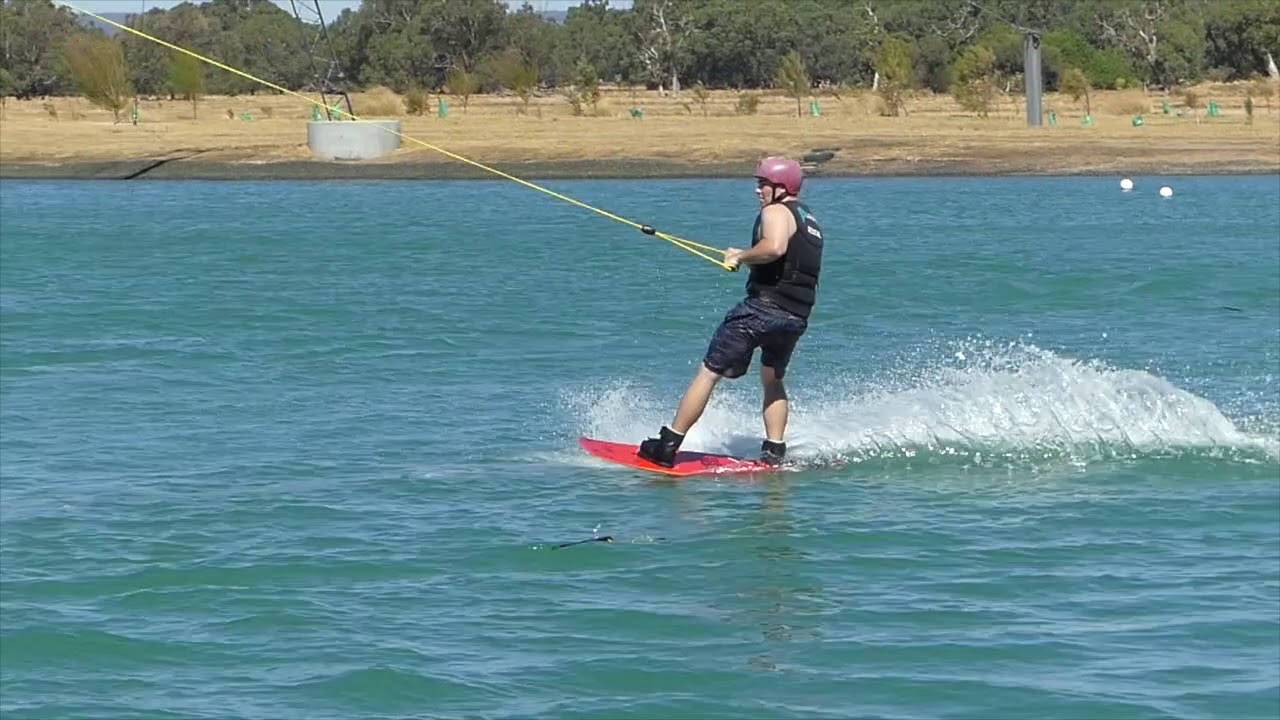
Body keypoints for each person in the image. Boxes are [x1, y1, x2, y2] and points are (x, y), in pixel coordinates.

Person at [636, 156, 825, 468]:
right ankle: (774, 451)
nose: (758, 190)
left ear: (781, 187)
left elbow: (775, 247)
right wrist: (749, 259)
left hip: (762, 310)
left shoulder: (776, 211)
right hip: (795, 317)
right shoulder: (809, 219)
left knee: (709, 372)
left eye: (763, 184)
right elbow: (788, 261)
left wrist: (741, 255)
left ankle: (667, 445)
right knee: (772, 379)